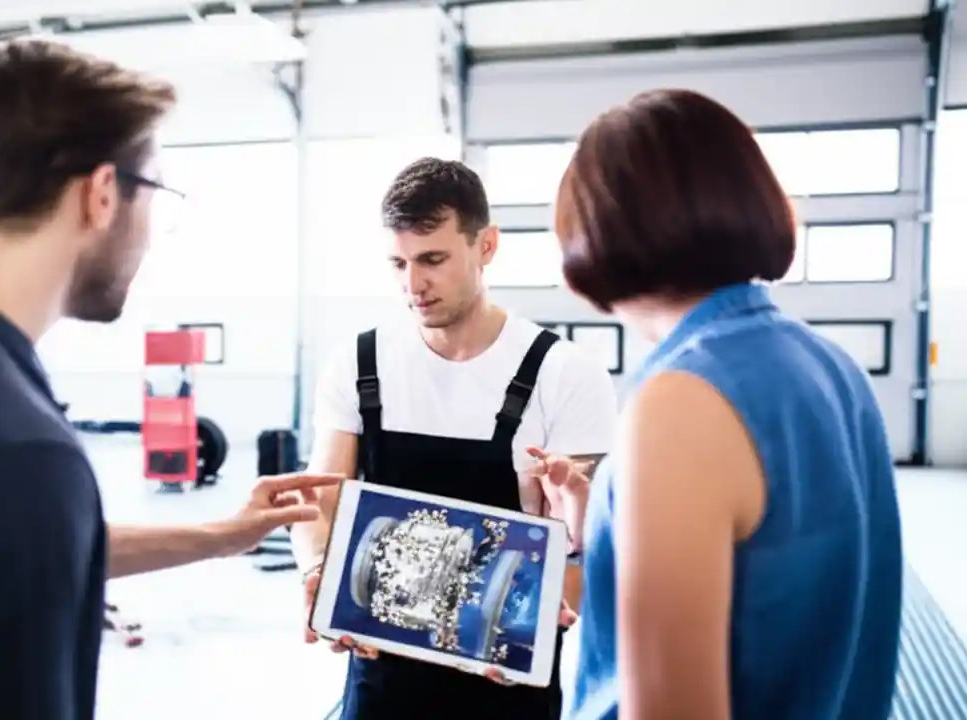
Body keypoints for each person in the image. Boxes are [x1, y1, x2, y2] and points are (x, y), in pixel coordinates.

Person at [0, 39, 341, 720]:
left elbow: (15, 547)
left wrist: (222, 535)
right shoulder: (8, 448)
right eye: (155, 194)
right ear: (103, 193)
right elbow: (12, 517)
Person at [520, 88, 903, 719]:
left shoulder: (679, 403)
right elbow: (777, 574)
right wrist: (609, 528)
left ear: (586, 241)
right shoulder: (829, 366)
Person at [291, 157, 620, 719]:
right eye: (397, 263)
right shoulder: (359, 363)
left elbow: (588, 549)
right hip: (380, 675)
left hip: (505, 679)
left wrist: (541, 612)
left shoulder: (564, 373)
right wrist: (318, 570)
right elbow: (321, 499)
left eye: (432, 260)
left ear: (486, 245)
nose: (412, 284)